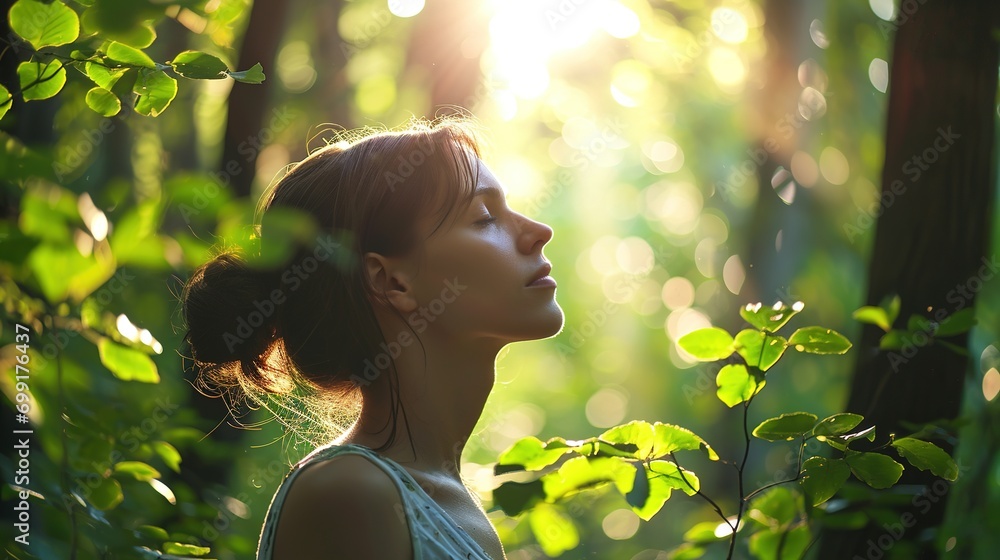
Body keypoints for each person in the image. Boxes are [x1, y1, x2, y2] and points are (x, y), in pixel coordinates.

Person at [181, 118, 564, 559]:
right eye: (483, 217)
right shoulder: (350, 492)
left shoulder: (446, 503)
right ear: (391, 282)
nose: (538, 232)